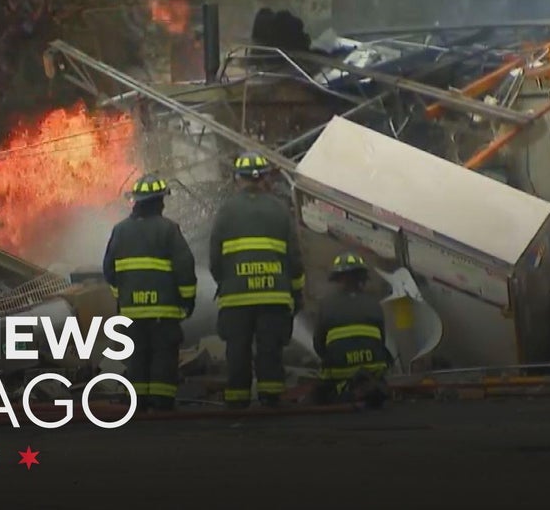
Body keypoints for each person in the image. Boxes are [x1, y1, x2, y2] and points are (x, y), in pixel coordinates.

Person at [208, 151, 305, 408]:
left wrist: (227, 282)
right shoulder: (280, 210)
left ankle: (237, 401)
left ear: (237, 179)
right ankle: (270, 398)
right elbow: (294, 258)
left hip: (236, 296)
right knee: (270, 350)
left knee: (237, 350)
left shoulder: (226, 211)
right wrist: (297, 293)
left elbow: (215, 260)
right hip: (274, 294)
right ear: (265, 179)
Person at [103, 174, 197, 412]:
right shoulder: (169, 229)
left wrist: (121, 295)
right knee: (163, 357)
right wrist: (187, 300)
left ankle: (138, 403)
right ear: (158, 202)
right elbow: (185, 268)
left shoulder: (120, 230)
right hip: (164, 311)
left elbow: (109, 269)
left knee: (136, 357)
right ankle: (161, 403)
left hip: (131, 311)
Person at [312, 252, 391, 408]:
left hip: (339, 371)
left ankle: (344, 392)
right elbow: (381, 340)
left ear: (337, 278)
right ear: (362, 278)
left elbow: (318, 345)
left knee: (319, 393)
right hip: (373, 369)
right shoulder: (374, 303)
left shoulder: (326, 304)